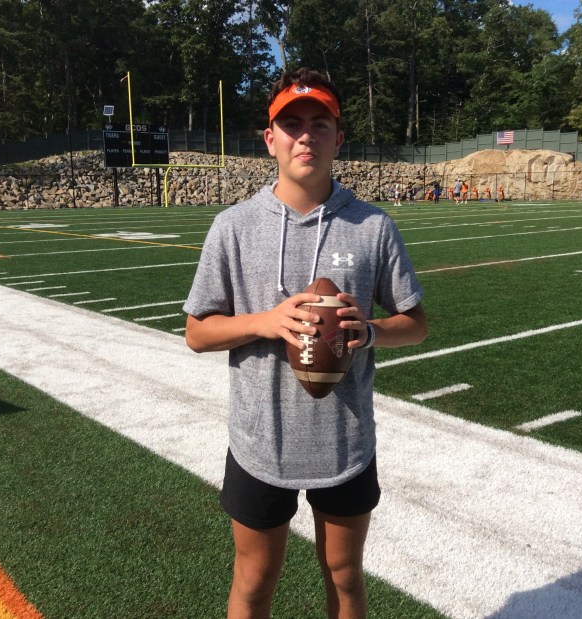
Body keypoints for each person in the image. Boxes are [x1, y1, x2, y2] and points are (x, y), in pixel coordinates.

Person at [183, 67, 428, 619]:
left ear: (338, 138)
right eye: (291, 124)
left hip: (344, 442)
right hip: (259, 441)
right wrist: (265, 321)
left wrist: (368, 332)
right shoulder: (234, 226)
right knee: (254, 580)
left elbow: (416, 323)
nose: (306, 136)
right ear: (270, 139)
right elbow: (197, 333)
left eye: (320, 124)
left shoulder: (372, 226)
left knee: (345, 577)